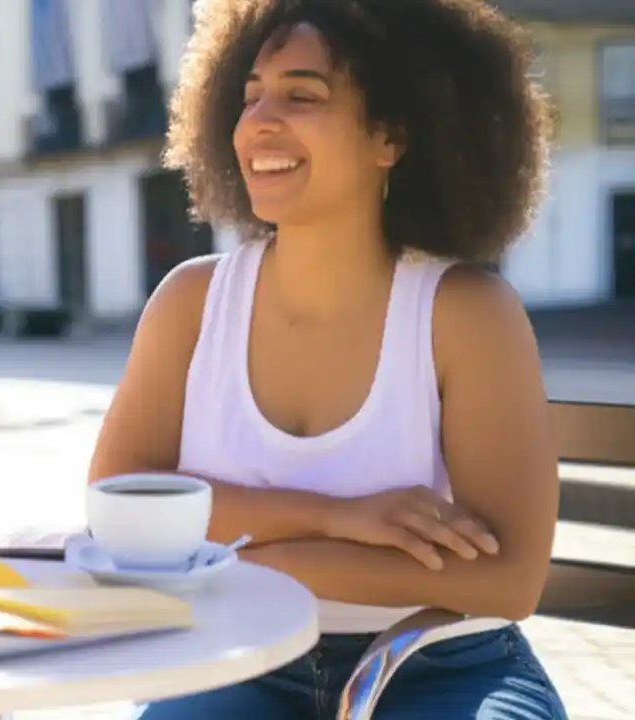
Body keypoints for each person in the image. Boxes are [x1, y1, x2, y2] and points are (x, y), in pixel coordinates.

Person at [88, 0, 567, 718]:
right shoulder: (191, 303)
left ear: (392, 135)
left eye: (302, 95)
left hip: (441, 663)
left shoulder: (467, 314)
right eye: (250, 96)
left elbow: (509, 580)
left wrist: (253, 560)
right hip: (237, 657)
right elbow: (118, 505)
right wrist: (343, 518)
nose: (259, 121)